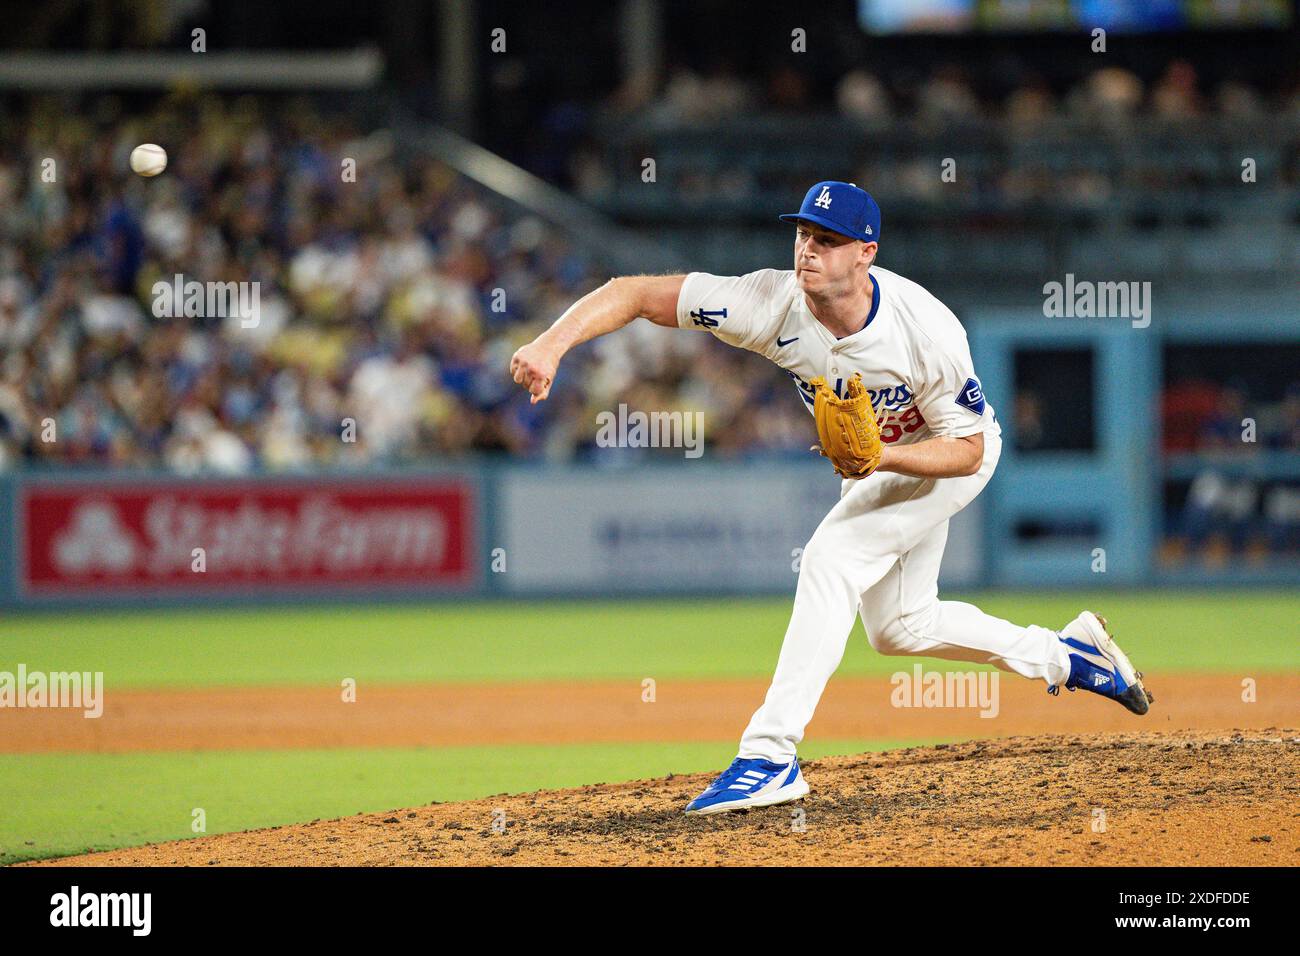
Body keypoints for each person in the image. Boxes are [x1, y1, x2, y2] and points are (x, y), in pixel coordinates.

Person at [509, 181, 1153, 816]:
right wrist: (550, 344)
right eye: (803, 234)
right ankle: (1069, 656)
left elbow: (970, 451)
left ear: (866, 253)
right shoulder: (767, 303)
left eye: (828, 239)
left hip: (945, 456)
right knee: (902, 627)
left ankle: (769, 755)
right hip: (880, 463)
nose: (808, 250)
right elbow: (635, 294)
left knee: (828, 558)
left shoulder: (924, 330)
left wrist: (884, 457)